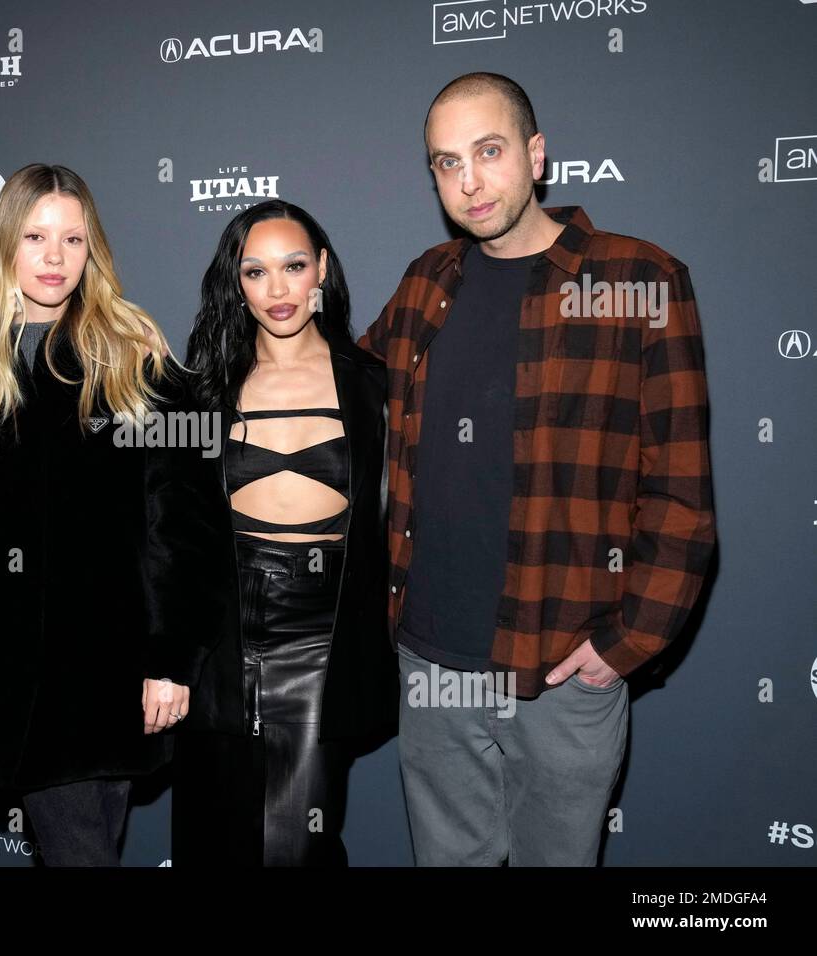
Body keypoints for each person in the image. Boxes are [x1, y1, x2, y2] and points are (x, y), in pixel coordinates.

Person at [359, 72, 715, 865]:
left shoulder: (638, 281)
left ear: (537, 154)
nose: (470, 181)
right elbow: (342, 393)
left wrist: (624, 647)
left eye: (488, 152)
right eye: (446, 163)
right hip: (429, 661)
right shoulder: (427, 282)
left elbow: (682, 493)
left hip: (562, 667)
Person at [0, 163, 226, 866]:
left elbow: (182, 523)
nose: (54, 257)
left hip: (116, 673)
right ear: (5, 242)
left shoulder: (131, 357)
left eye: (73, 240)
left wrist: (171, 660)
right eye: (35, 236)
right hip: (17, 683)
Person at [173, 200, 392, 866]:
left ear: (321, 269)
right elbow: (175, 530)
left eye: (293, 267)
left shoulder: (372, 385)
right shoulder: (205, 387)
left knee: (296, 845)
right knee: (217, 841)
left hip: (323, 642)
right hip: (221, 638)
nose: (276, 290)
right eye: (256, 272)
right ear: (235, 284)